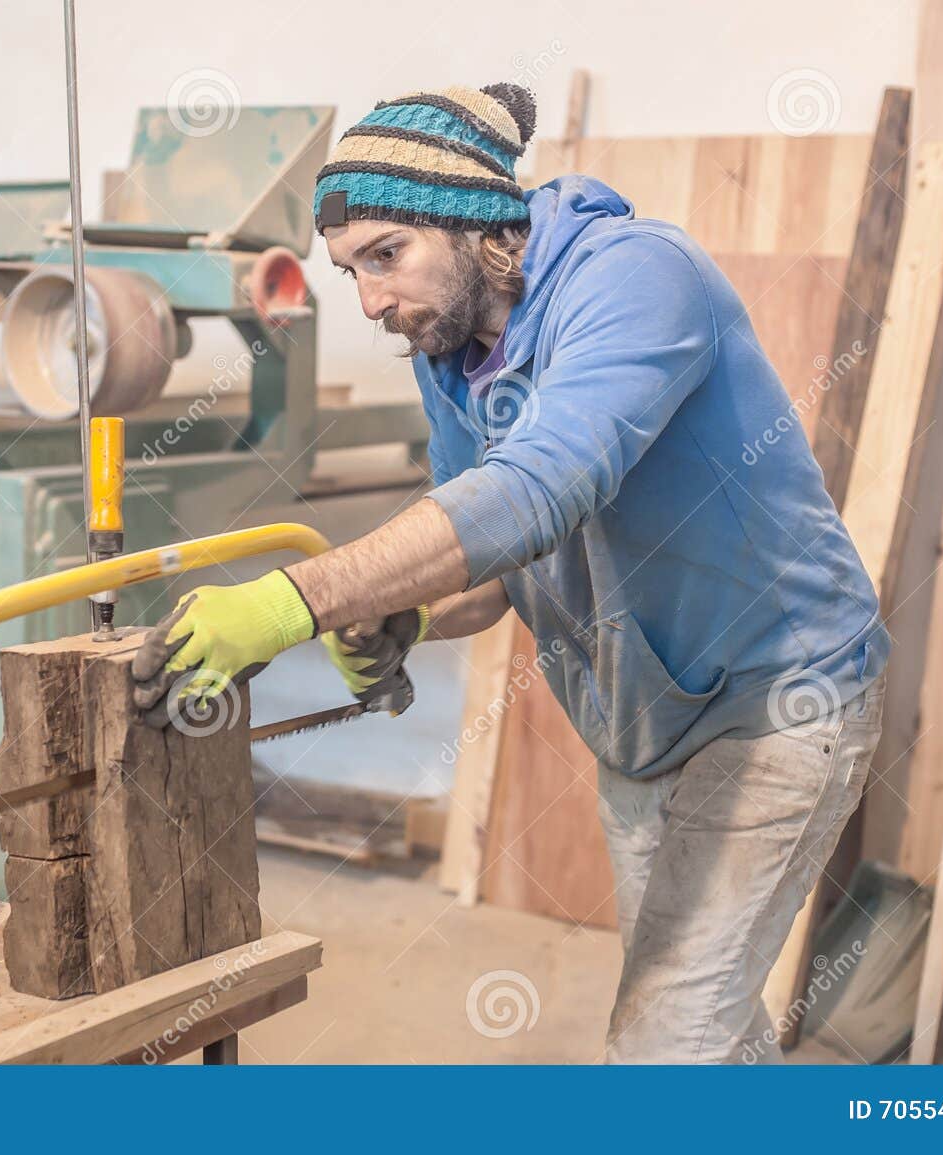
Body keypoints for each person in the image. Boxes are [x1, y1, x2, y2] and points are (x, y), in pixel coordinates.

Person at [132, 81, 889, 1063]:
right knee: (710, 1025)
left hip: (777, 698)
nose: (371, 302)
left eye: (385, 257)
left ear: (476, 223)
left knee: (664, 1041)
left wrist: (295, 602)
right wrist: (405, 617)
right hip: (641, 717)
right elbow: (492, 553)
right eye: (350, 272)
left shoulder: (635, 278)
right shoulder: (446, 346)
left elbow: (542, 488)